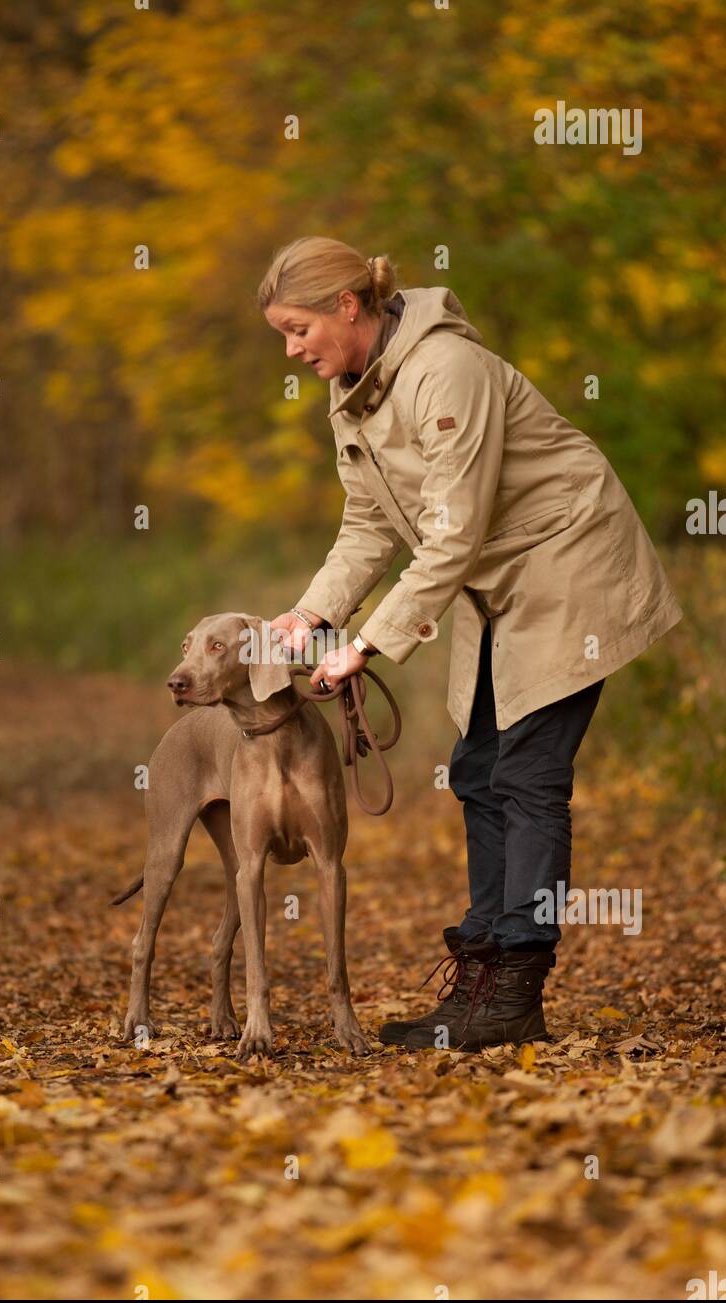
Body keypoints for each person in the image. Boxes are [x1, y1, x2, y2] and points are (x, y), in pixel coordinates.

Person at [260, 235, 683, 1053]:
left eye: (297, 328)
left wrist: (367, 645)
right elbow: (368, 527)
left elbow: (451, 538)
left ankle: (518, 982)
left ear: (347, 306)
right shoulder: (356, 396)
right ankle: (485, 979)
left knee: (527, 774)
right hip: (498, 582)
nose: (292, 349)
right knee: (478, 771)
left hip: (568, 564)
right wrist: (311, 617)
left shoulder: (444, 370)